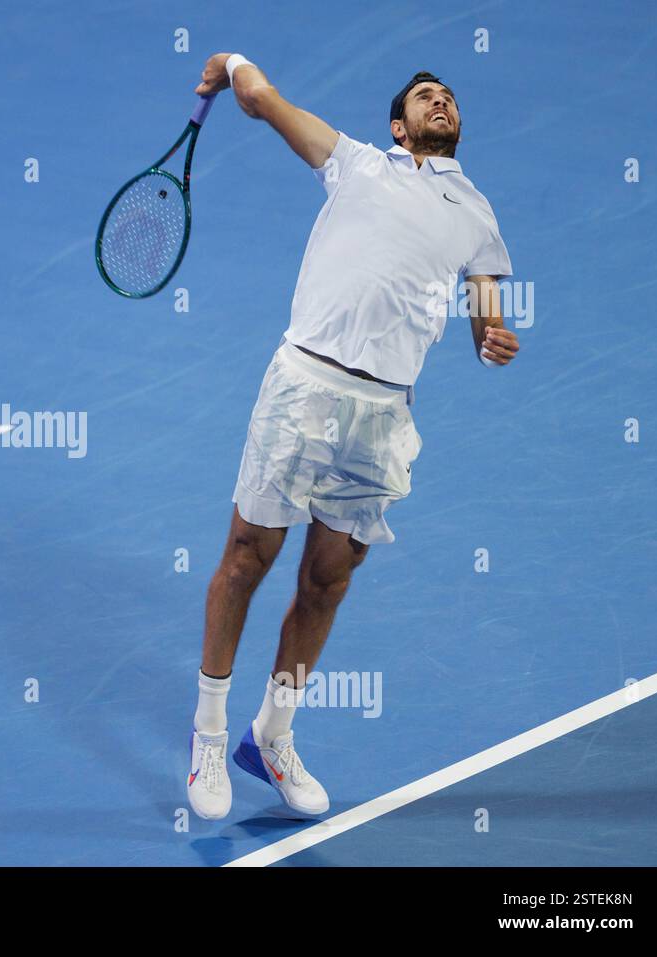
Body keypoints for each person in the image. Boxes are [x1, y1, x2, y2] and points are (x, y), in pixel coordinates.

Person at [185, 56, 518, 820]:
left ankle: (270, 733)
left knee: (329, 577)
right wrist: (231, 64)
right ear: (399, 126)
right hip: (304, 386)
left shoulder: (477, 213)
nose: (441, 99)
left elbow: (486, 310)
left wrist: (493, 336)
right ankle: (207, 731)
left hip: (382, 413)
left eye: (449, 96)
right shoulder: (355, 163)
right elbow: (265, 101)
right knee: (246, 559)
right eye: (424, 96)